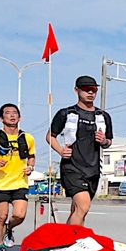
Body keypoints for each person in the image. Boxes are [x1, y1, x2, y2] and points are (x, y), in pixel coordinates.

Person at [46, 76, 112, 226]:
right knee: (83, 206)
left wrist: (104, 141)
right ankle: (71, 243)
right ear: (77, 90)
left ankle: (68, 241)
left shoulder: (103, 116)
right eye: (86, 89)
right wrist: (61, 151)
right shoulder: (66, 113)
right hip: (72, 167)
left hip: (93, 169)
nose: (90, 93)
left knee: (78, 211)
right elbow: (50, 136)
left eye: (94, 90)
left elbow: (108, 142)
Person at [0, 103, 36, 251]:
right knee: (1, 216)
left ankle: (9, 229)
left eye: (14, 113)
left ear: (20, 117)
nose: (12, 115)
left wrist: (30, 168)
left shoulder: (27, 137)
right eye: (7, 113)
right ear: (1, 118)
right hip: (0, 183)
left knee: (19, 215)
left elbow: (31, 157)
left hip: (20, 182)